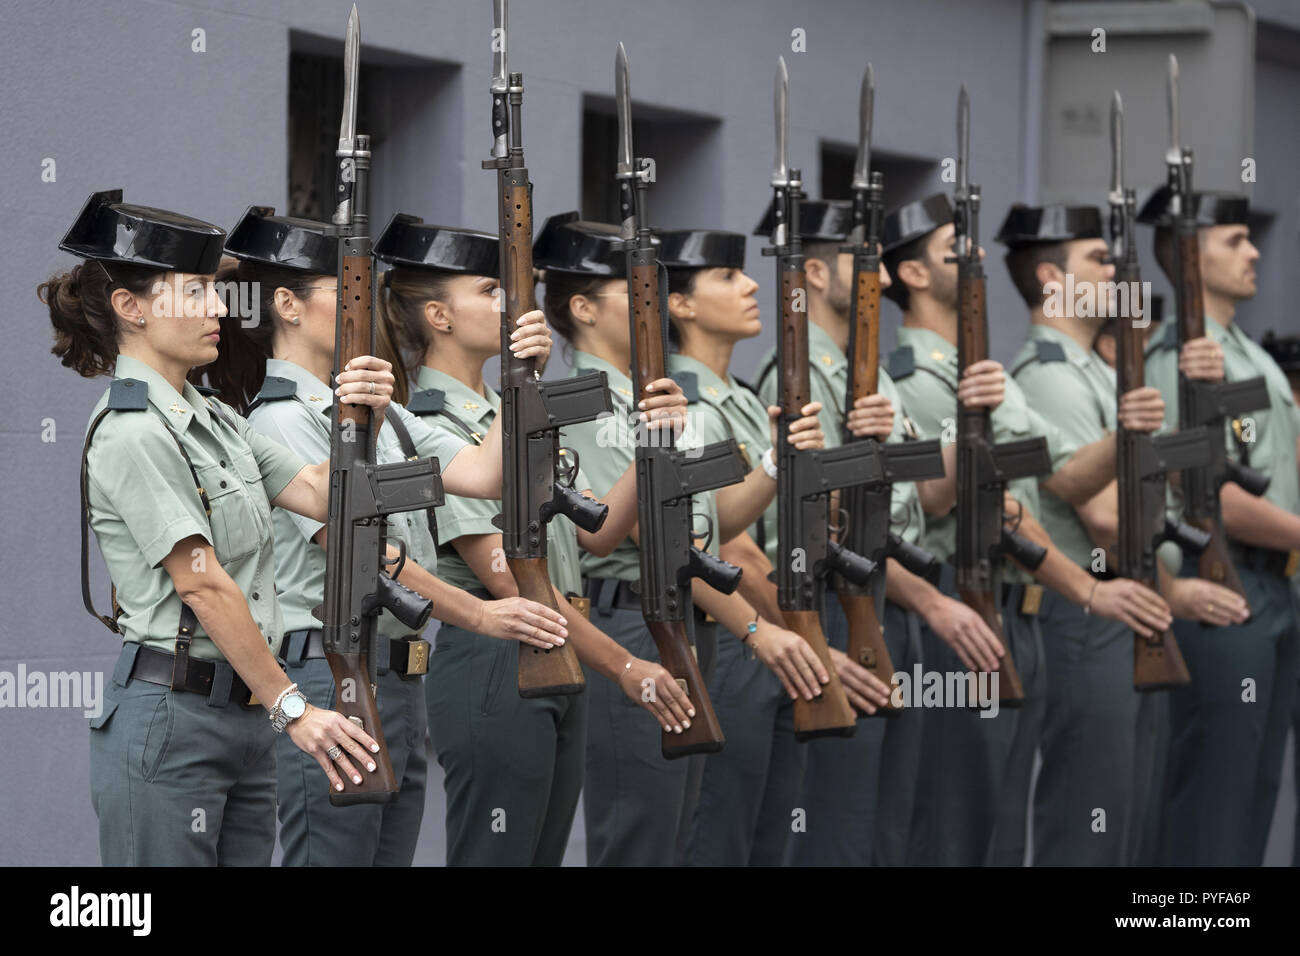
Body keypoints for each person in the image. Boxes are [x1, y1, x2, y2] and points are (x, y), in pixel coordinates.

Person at [206, 206, 570, 865]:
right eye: (346, 289)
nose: (366, 303)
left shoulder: (388, 414)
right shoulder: (281, 421)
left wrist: (524, 373)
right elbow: (367, 552)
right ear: (287, 304)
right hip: (330, 670)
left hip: (400, 679)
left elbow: (488, 472)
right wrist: (481, 615)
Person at [45, 190, 393, 865]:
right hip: (173, 719)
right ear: (132, 307)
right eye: (197, 291)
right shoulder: (134, 430)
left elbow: (325, 496)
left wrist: (362, 414)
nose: (218, 310)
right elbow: (203, 588)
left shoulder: (216, 419)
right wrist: (292, 706)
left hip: (241, 718)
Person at [537, 211, 861, 865]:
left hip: (685, 617)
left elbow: (716, 524)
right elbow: (599, 533)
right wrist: (754, 628)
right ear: (583, 308)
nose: (649, 306)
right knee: (640, 834)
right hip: (628, 617)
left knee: (676, 829)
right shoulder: (579, 401)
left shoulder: (648, 396)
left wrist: (774, 461)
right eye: (633, 292)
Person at [372, 213, 695, 865]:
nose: (511, 306)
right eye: (490, 292)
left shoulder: (500, 412)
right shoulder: (435, 420)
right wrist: (625, 665)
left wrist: (654, 439)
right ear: (437, 316)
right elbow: (505, 578)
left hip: (558, 640)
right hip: (502, 652)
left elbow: (594, 536)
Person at [879, 192, 1173, 865]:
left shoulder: (984, 375)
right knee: (959, 829)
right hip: (958, 599)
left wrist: (1086, 589)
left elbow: (1034, 492)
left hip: (1017, 608)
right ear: (916, 275)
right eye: (958, 247)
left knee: (999, 833)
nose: (978, 256)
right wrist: (1089, 590)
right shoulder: (920, 379)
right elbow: (975, 502)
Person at [997, 202, 1249, 865]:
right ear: (1053, 279)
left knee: (1124, 826)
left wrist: (1172, 586)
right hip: (1086, 607)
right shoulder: (1050, 375)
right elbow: (1106, 515)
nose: (1116, 270)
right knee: (1088, 822)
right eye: (1098, 260)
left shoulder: (1094, 371)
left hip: (1122, 597)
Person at [652, 224, 894, 866]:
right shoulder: (691, 403)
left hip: (768, 633)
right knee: (718, 841)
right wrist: (798, 638)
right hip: (736, 635)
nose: (753, 284)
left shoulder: (741, 400)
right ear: (680, 304)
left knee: (766, 844)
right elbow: (727, 545)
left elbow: (805, 521)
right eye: (728, 277)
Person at [1139, 188, 1300, 865]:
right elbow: (1208, 491)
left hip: (1270, 585)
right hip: (1219, 578)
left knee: (1255, 787)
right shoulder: (1177, 357)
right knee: (1214, 791)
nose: (1254, 250)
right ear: (1188, 254)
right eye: (1233, 240)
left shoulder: (1247, 354)